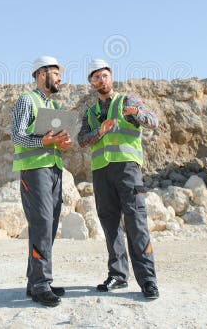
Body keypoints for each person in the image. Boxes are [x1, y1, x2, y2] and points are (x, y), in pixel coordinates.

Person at [77, 58, 160, 300]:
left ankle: (148, 280)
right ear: (91, 83)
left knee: (136, 222)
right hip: (101, 172)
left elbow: (154, 122)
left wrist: (137, 113)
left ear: (111, 77)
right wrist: (100, 131)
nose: (101, 80)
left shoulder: (127, 101)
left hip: (127, 169)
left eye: (104, 75)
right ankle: (118, 275)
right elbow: (82, 140)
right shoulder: (90, 113)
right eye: (96, 77)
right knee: (110, 224)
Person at [10, 55, 73, 307]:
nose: (59, 78)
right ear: (41, 74)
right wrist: (43, 141)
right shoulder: (27, 100)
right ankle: (40, 284)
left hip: (54, 169)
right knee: (42, 223)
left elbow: (54, 141)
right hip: (34, 170)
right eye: (55, 73)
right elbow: (17, 136)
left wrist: (62, 143)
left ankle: (35, 281)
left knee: (50, 224)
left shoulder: (54, 106)